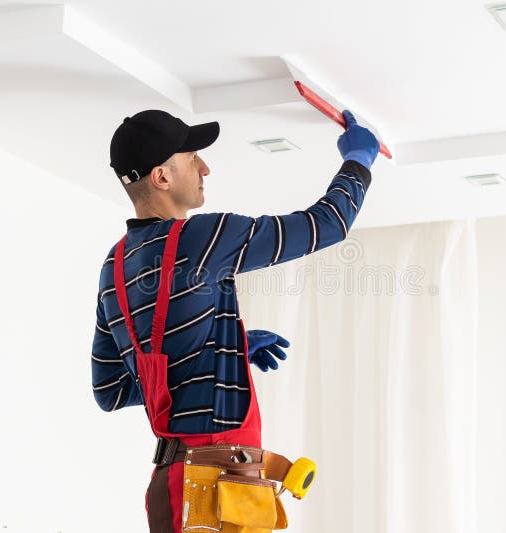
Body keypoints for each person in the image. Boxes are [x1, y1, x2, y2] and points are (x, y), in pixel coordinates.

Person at [91, 108, 380, 532]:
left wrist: (228, 350)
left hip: (176, 488)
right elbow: (327, 225)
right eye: (193, 157)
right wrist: (358, 162)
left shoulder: (114, 267)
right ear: (162, 176)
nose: (205, 166)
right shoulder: (204, 238)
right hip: (216, 492)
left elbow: (111, 390)